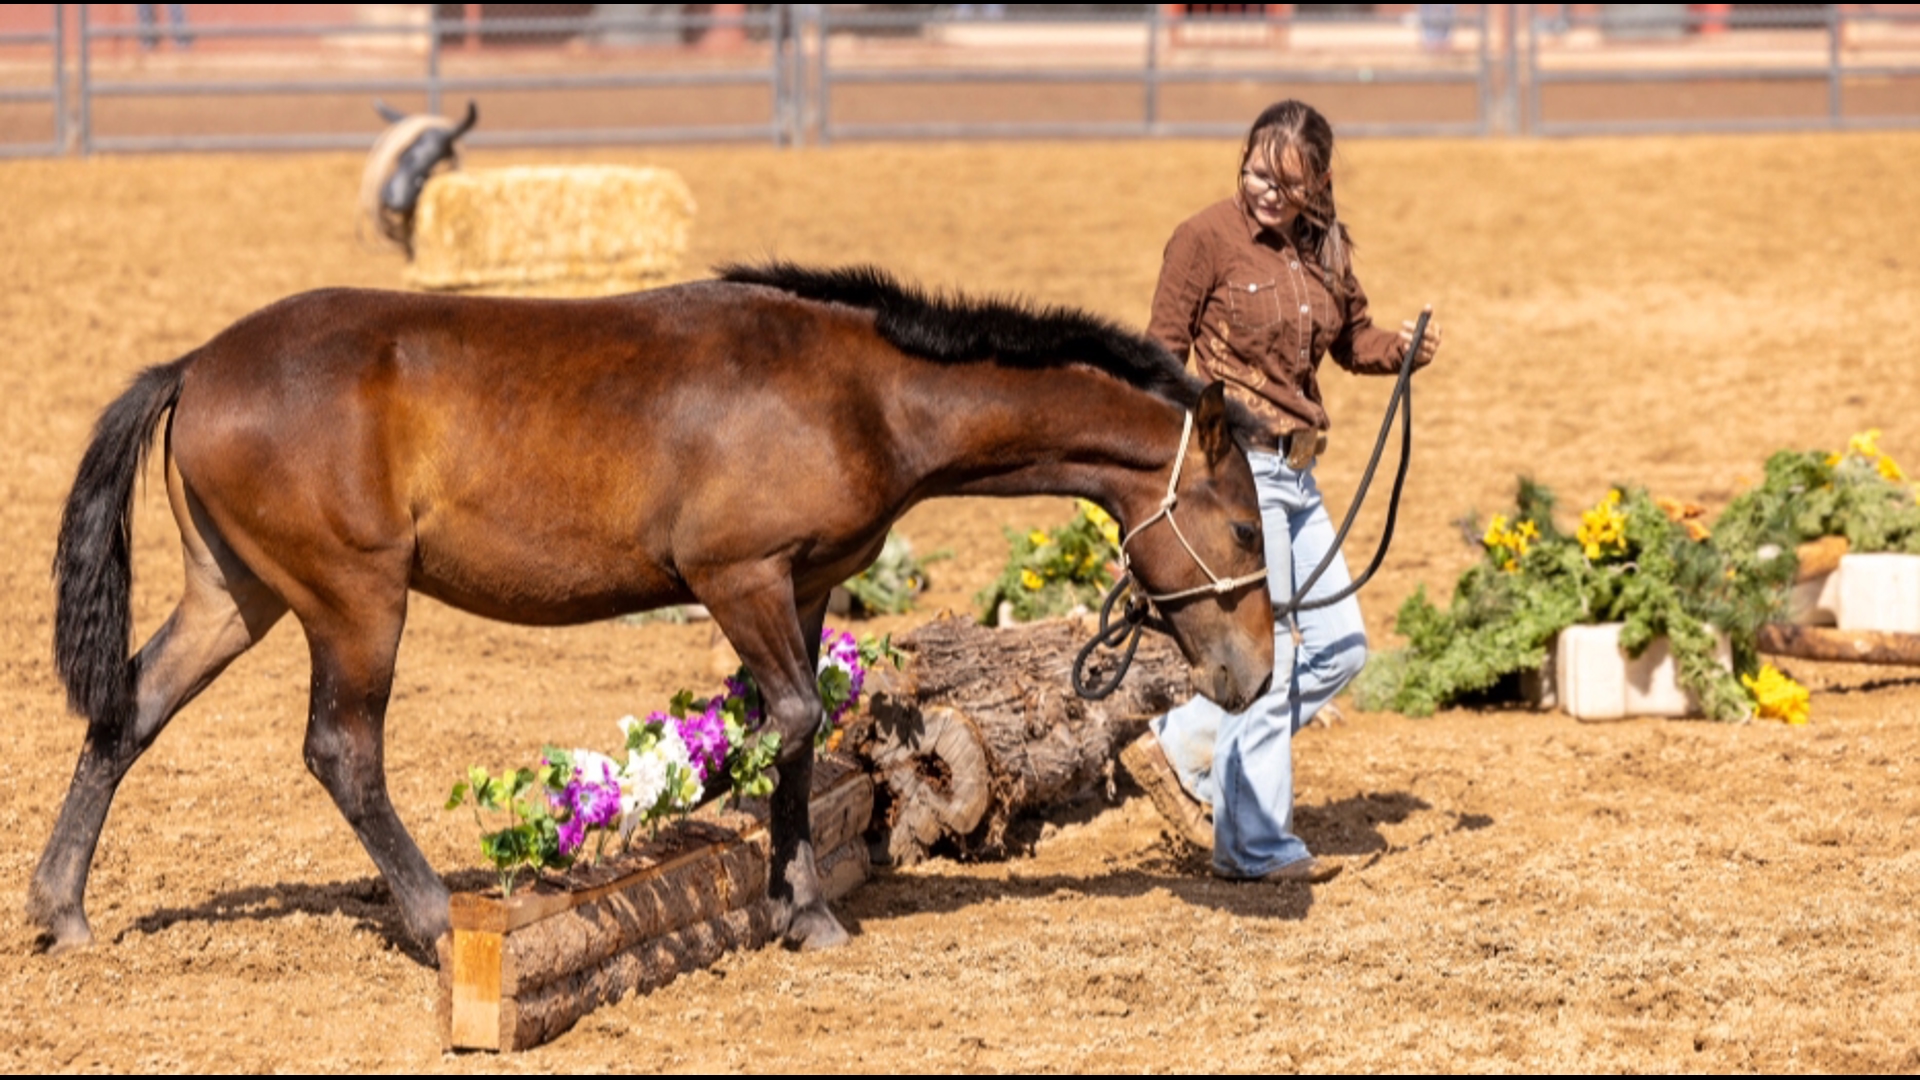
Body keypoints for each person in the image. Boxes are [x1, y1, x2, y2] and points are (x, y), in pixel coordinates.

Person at [1120, 99, 1441, 884]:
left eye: (1285, 180)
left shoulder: (1322, 249)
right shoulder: (1203, 240)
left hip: (1301, 470)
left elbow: (1349, 339)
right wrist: (1202, 448)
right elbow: (1158, 356)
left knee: (1340, 646)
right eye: (1255, 169)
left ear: (1318, 183)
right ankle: (1253, 845)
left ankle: (1184, 745)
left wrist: (1398, 348)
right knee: (1271, 663)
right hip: (1241, 475)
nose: (1264, 188)